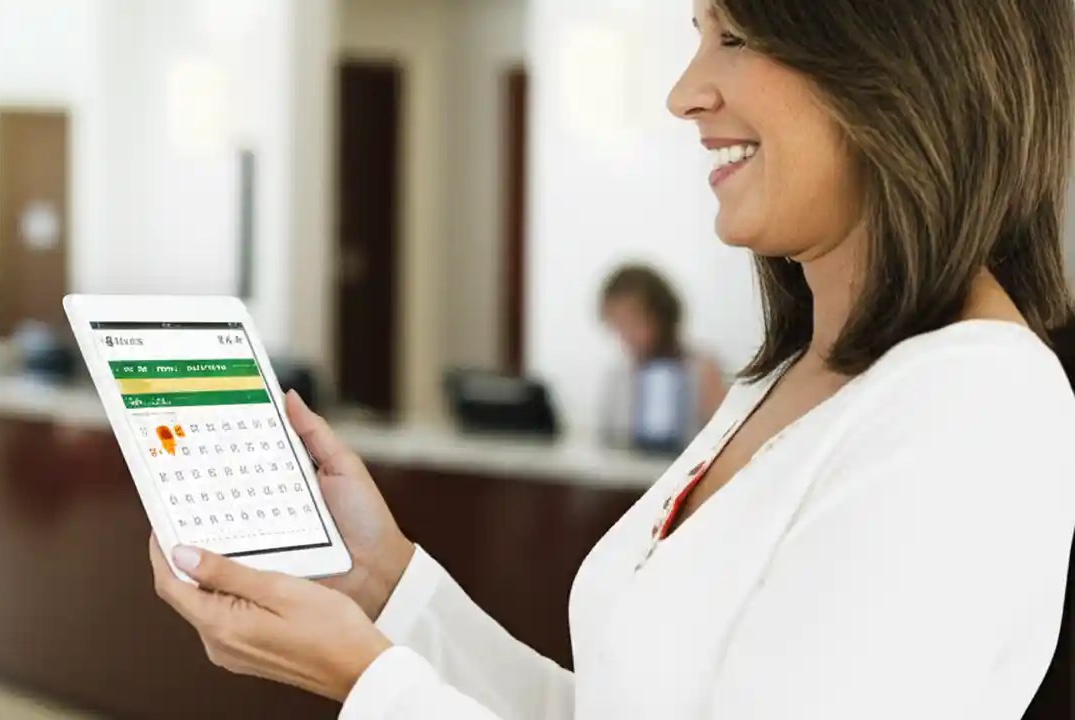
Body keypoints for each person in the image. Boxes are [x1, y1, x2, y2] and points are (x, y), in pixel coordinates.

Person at [148, 0, 1075, 717]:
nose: (684, 91)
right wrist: (383, 584)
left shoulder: (976, 406)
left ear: (908, 65)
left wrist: (369, 683)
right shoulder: (782, 380)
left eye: (735, 35)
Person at [598, 264, 726, 451]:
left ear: (663, 316)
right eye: (619, 325)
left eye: (635, 322)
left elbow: (725, 441)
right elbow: (609, 440)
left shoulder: (702, 370)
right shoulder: (620, 376)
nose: (627, 335)